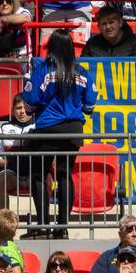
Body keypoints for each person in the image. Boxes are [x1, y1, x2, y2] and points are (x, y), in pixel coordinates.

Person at [21, 31, 97, 239]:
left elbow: (30, 99)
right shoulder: (82, 72)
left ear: (51, 48)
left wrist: (34, 110)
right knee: (64, 175)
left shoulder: (43, 70)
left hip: (47, 130)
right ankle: (62, 228)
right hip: (73, 130)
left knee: (39, 175)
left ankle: (42, 226)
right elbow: (90, 106)